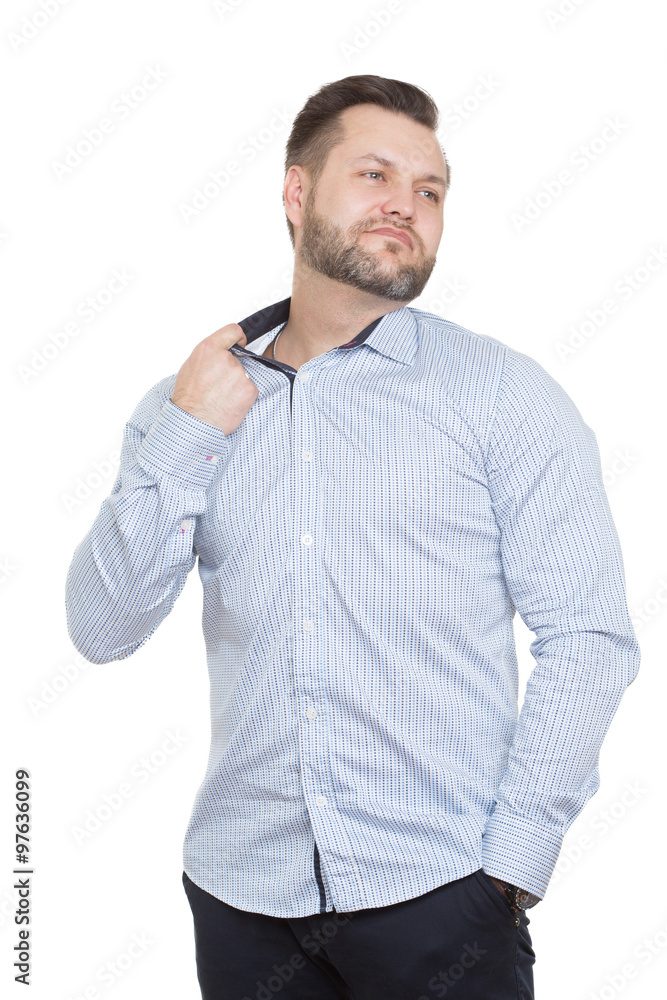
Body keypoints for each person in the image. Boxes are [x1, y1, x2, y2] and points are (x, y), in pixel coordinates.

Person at [65, 74, 640, 1000]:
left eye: (429, 190)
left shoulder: (502, 396)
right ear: (297, 194)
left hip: (443, 899)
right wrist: (188, 437)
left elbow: (588, 637)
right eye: (374, 174)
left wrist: (509, 869)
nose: (406, 208)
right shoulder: (189, 406)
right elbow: (101, 630)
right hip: (241, 900)